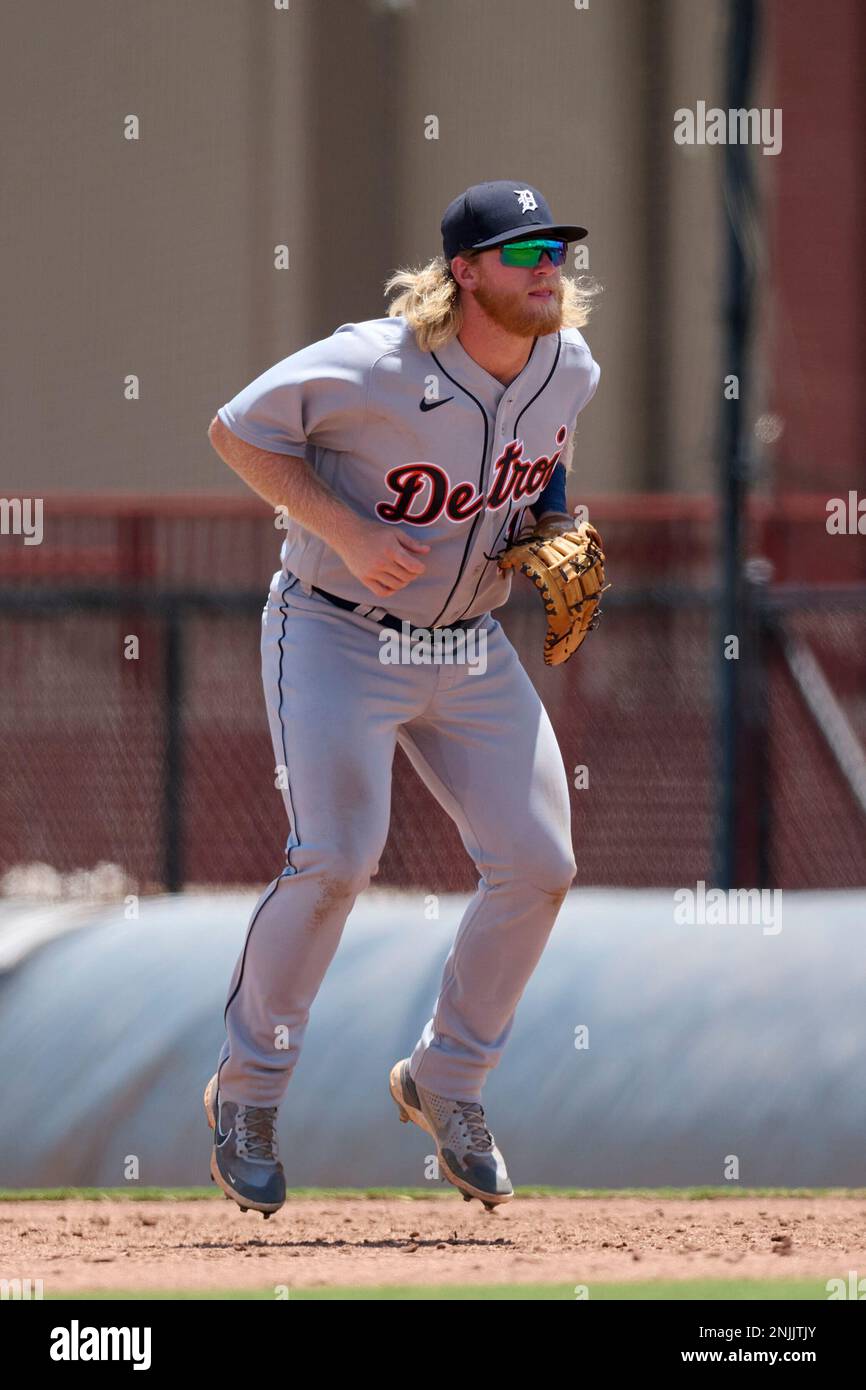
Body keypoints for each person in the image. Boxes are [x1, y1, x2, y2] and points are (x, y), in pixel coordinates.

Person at [203, 179, 601, 1216]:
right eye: (521, 254)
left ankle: (449, 1080)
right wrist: (348, 529)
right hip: (335, 630)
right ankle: (245, 1094)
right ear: (462, 272)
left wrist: (547, 523)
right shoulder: (372, 362)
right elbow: (237, 432)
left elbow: (543, 463)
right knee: (335, 857)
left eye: (552, 249)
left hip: (470, 644)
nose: (545, 266)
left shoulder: (567, 366)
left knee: (538, 862)